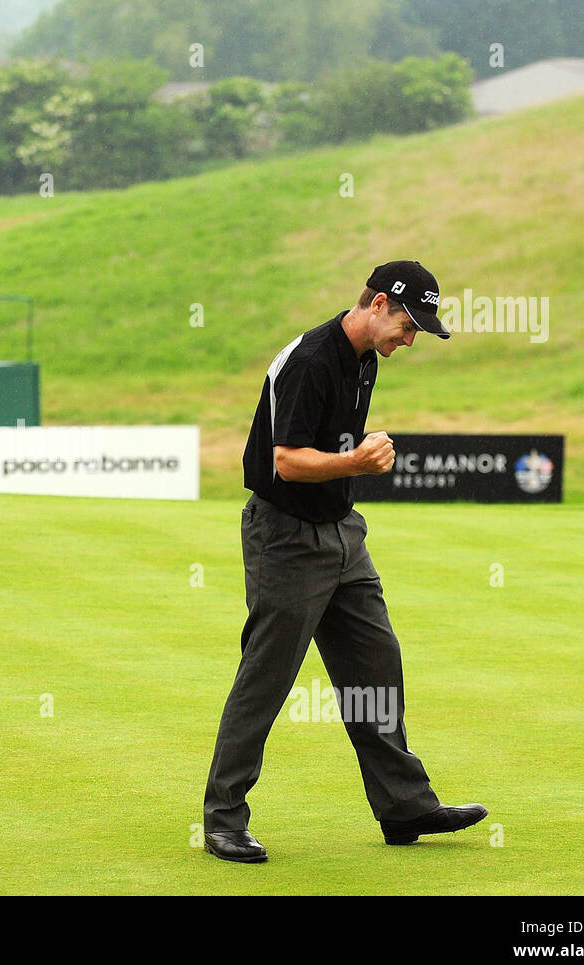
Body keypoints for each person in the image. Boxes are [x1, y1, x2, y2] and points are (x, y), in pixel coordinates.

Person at [202, 261, 487, 863]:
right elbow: (286, 461)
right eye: (410, 325)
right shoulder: (310, 361)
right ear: (379, 303)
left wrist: (350, 473)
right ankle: (224, 820)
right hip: (285, 536)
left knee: (375, 667)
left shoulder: (364, 359)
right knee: (268, 676)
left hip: (341, 534)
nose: (411, 339)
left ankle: (404, 805)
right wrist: (356, 463)